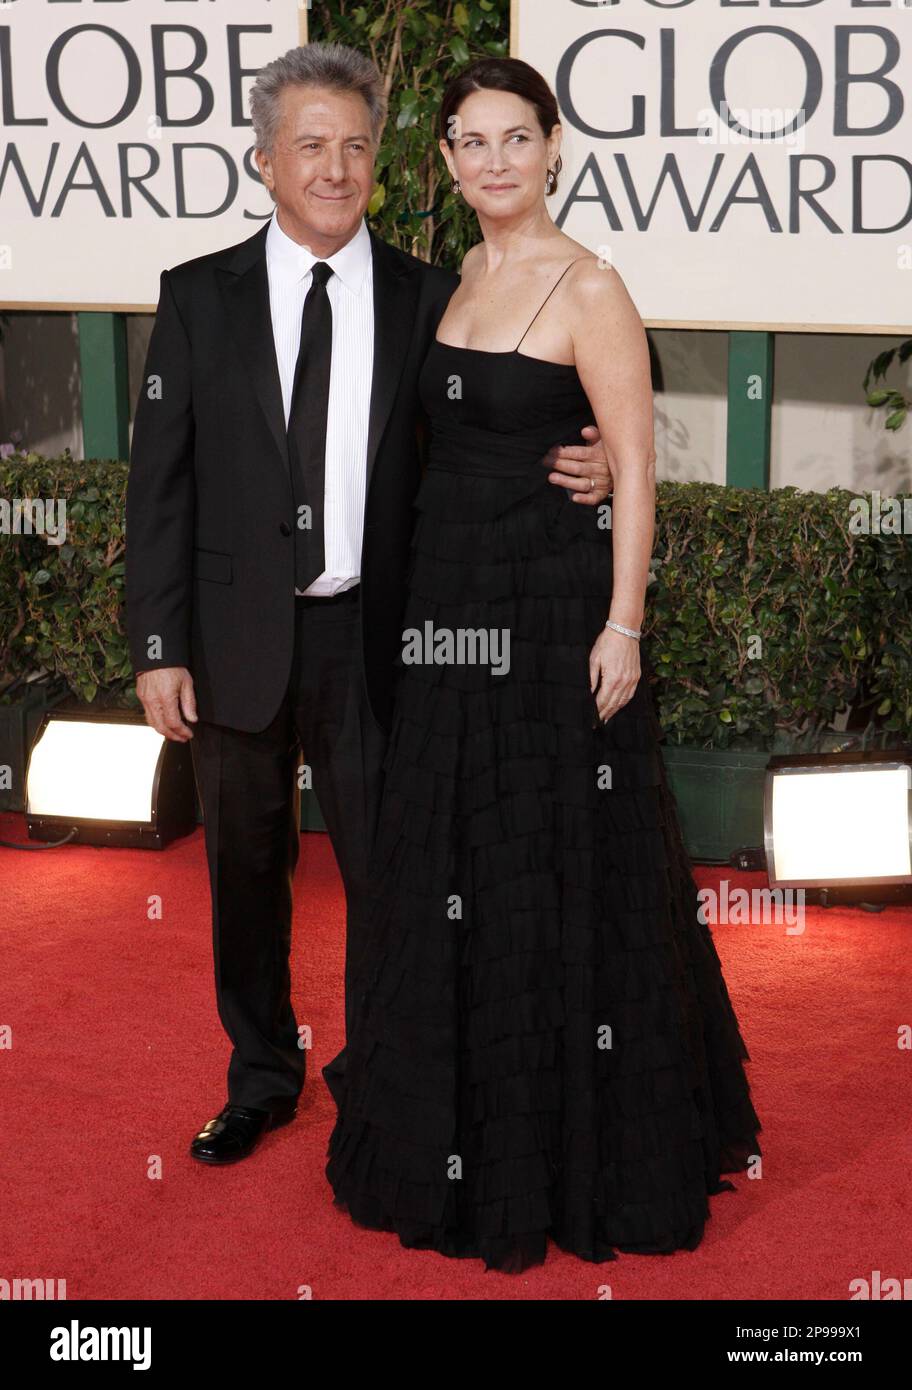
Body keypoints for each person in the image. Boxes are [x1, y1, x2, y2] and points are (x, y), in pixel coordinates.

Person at [124, 43, 613, 1166]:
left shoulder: (431, 295)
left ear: (379, 164)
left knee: (396, 873)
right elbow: (161, 485)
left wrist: (596, 462)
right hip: (236, 635)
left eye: (355, 146)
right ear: (264, 161)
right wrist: (158, 643)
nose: (335, 168)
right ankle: (260, 1078)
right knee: (246, 873)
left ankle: (384, 1074)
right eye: (311, 146)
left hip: (381, 637)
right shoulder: (199, 297)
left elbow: (512, 419)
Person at [324, 57, 762, 1272]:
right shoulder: (452, 276)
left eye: (515, 138)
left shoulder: (592, 285)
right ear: (450, 161)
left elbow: (634, 464)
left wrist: (622, 623)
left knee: (558, 854)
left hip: (552, 604)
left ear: (555, 145)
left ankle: (577, 1143)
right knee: (449, 853)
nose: (493, 161)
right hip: (448, 607)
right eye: (470, 142)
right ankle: (451, 1120)